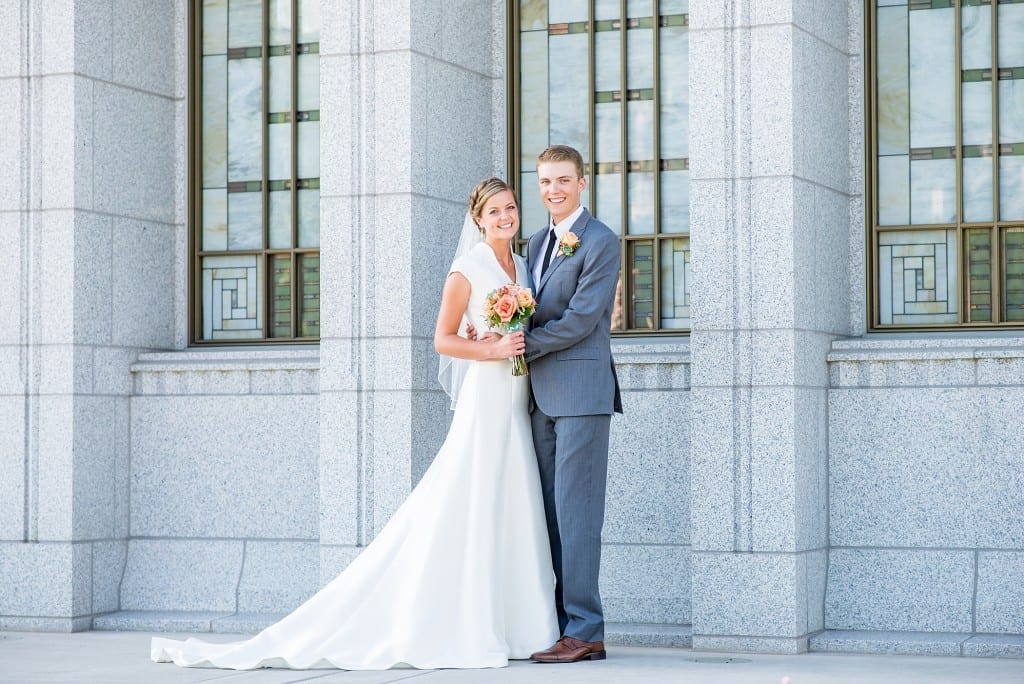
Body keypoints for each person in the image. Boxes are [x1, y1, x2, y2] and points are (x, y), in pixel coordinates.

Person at [150, 178, 558, 670]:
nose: (504, 217)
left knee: (512, 500)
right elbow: (443, 340)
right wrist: (491, 348)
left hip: (516, 398)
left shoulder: (524, 263)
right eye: (494, 211)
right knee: (471, 497)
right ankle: (464, 621)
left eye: (510, 208)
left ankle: (521, 627)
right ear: (478, 218)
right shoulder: (466, 269)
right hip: (486, 398)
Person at [523, 144, 621, 664]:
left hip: (582, 395)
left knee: (578, 514)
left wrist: (520, 345)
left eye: (563, 180)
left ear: (582, 183)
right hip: (538, 397)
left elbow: (582, 320)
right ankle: (561, 624)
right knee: (552, 518)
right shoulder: (538, 241)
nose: (553, 190)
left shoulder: (602, 241)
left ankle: (586, 629)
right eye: (544, 182)